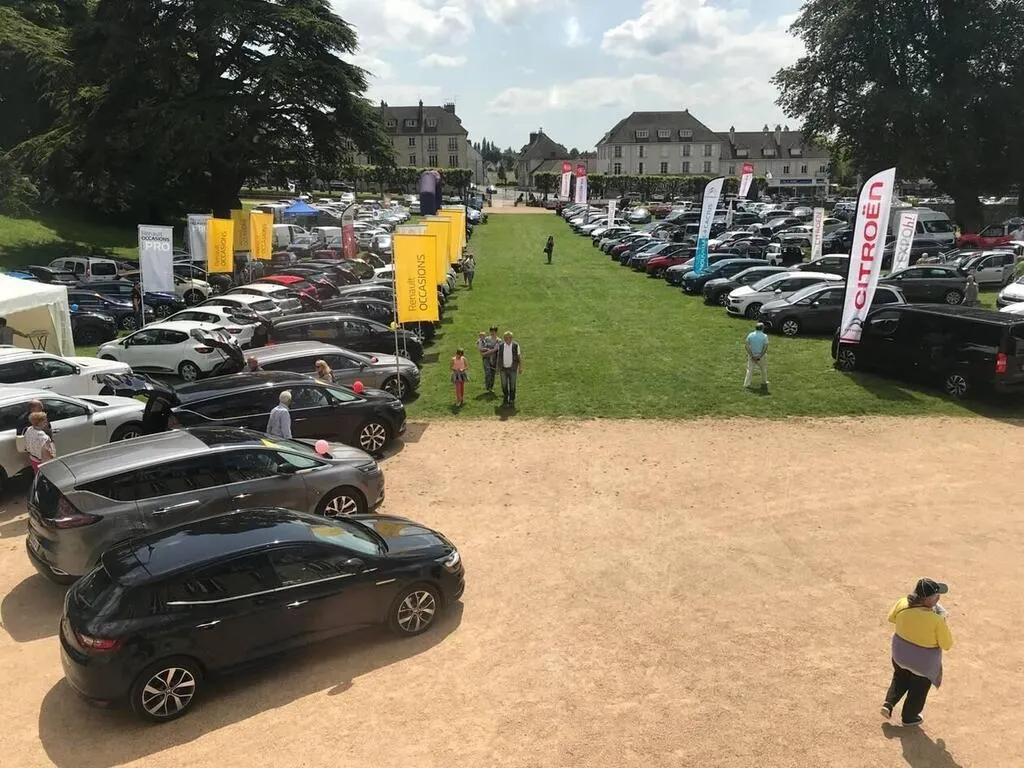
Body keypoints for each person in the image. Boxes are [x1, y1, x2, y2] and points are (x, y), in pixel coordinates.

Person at [882, 578, 953, 727]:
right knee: (918, 689)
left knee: (900, 677)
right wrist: (941, 621)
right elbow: (946, 644)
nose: (939, 598)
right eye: (936, 596)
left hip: (900, 655)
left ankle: (889, 703)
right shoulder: (936, 620)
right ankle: (909, 717)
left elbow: (891, 618)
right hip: (923, 664)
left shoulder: (902, 603)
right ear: (927, 599)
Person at [495, 331, 523, 407]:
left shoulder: (516, 345)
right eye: (506, 338)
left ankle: (511, 399)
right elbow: (498, 357)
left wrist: (520, 367)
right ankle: (505, 397)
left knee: (512, 385)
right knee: (504, 384)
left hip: (512, 368)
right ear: (504, 338)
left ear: (511, 338)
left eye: (509, 337)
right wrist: (497, 368)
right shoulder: (501, 346)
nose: (508, 339)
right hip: (503, 369)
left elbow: (519, 357)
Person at [744, 322, 769, 390]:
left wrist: (751, 355)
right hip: (761, 356)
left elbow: (746, 345)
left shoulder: (750, 335)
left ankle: (746, 384)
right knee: (763, 369)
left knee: (749, 370)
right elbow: (765, 347)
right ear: (762, 328)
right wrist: (760, 356)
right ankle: (764, 381)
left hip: (752, 355)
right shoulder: (765, 336)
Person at [479, 326, 500, 393]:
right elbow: (481, 347)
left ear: (496, 332)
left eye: (494, 331)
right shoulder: (486, 339)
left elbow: (495, 349)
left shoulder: (499, 340)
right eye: (491, 331)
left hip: (494, 359)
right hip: (486, 359)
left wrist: (485, 353)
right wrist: (482, 352)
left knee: (492, 373)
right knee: (488, 373)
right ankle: (488, 387)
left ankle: (491, 387)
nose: (492, 332)